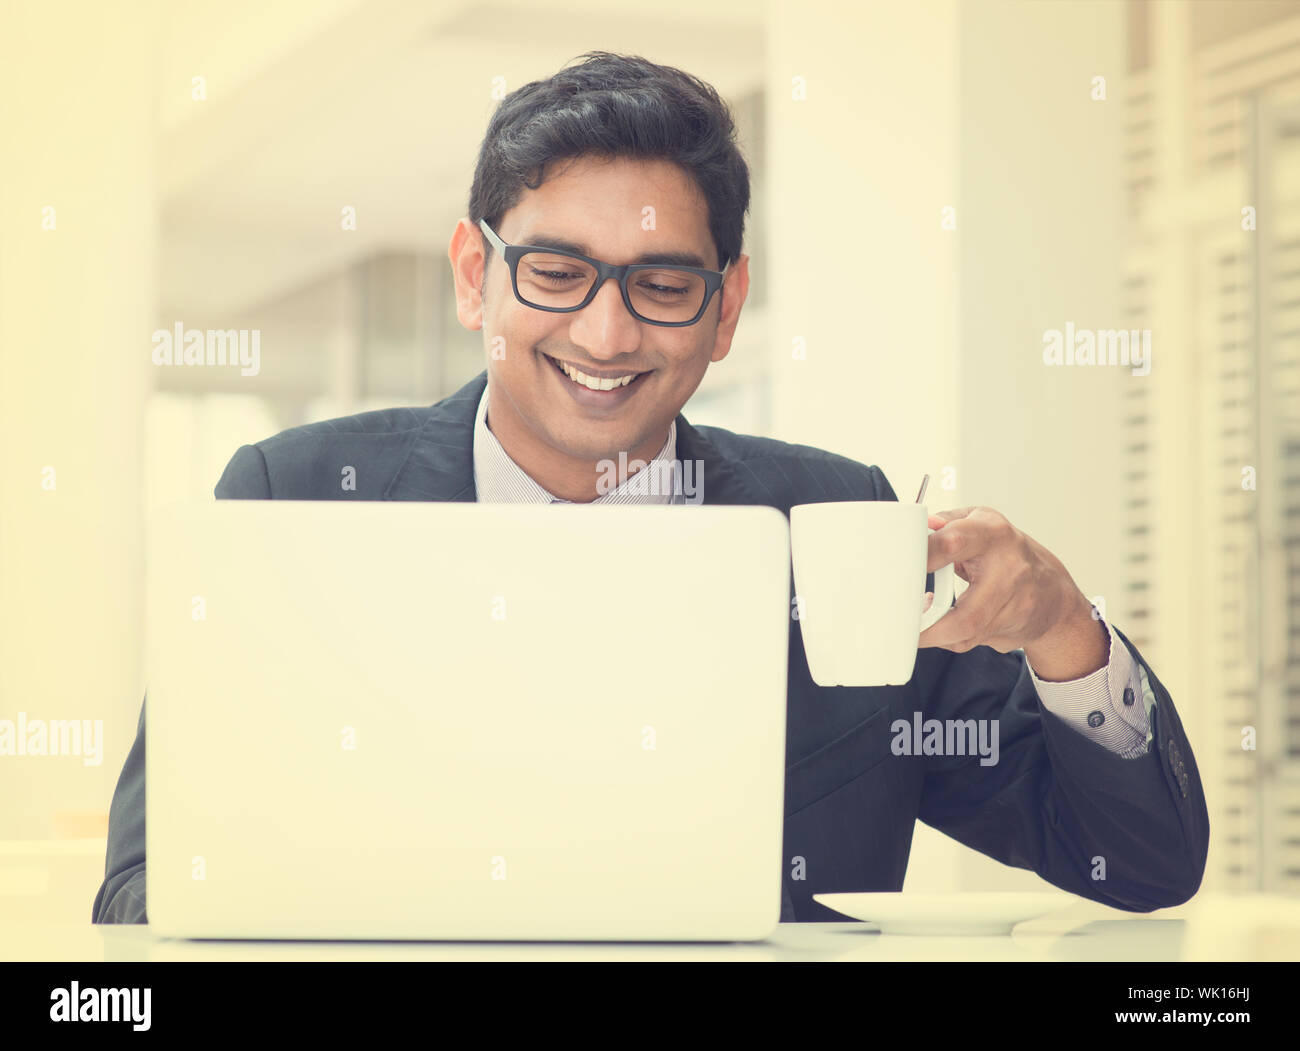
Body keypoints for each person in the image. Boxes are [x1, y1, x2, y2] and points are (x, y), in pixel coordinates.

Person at [94, 51, 1207, 925]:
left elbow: (1142, 865)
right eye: (557, 271)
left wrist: (1062, 626)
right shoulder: (295, 502)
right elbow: (142, 891)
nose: (606, 330)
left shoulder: (837, 527)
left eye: (662, 282)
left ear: (726, 310)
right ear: (476, 277)